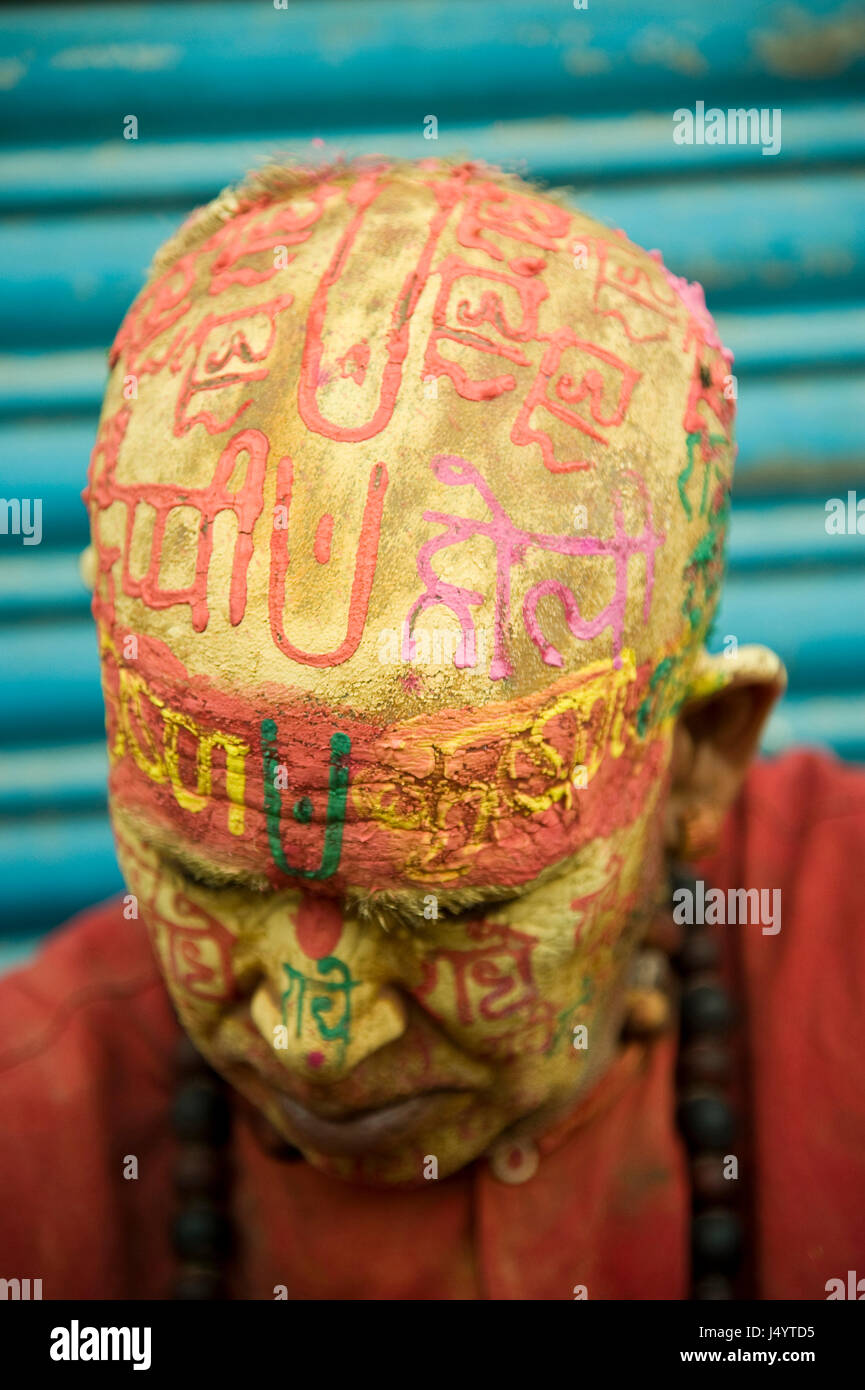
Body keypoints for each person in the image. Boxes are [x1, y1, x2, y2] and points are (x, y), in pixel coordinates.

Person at [1, 157, 862, 1301]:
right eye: (211, 880)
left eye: (449, 909)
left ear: (696, 755)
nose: (317, 1038)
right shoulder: (35, 1133)